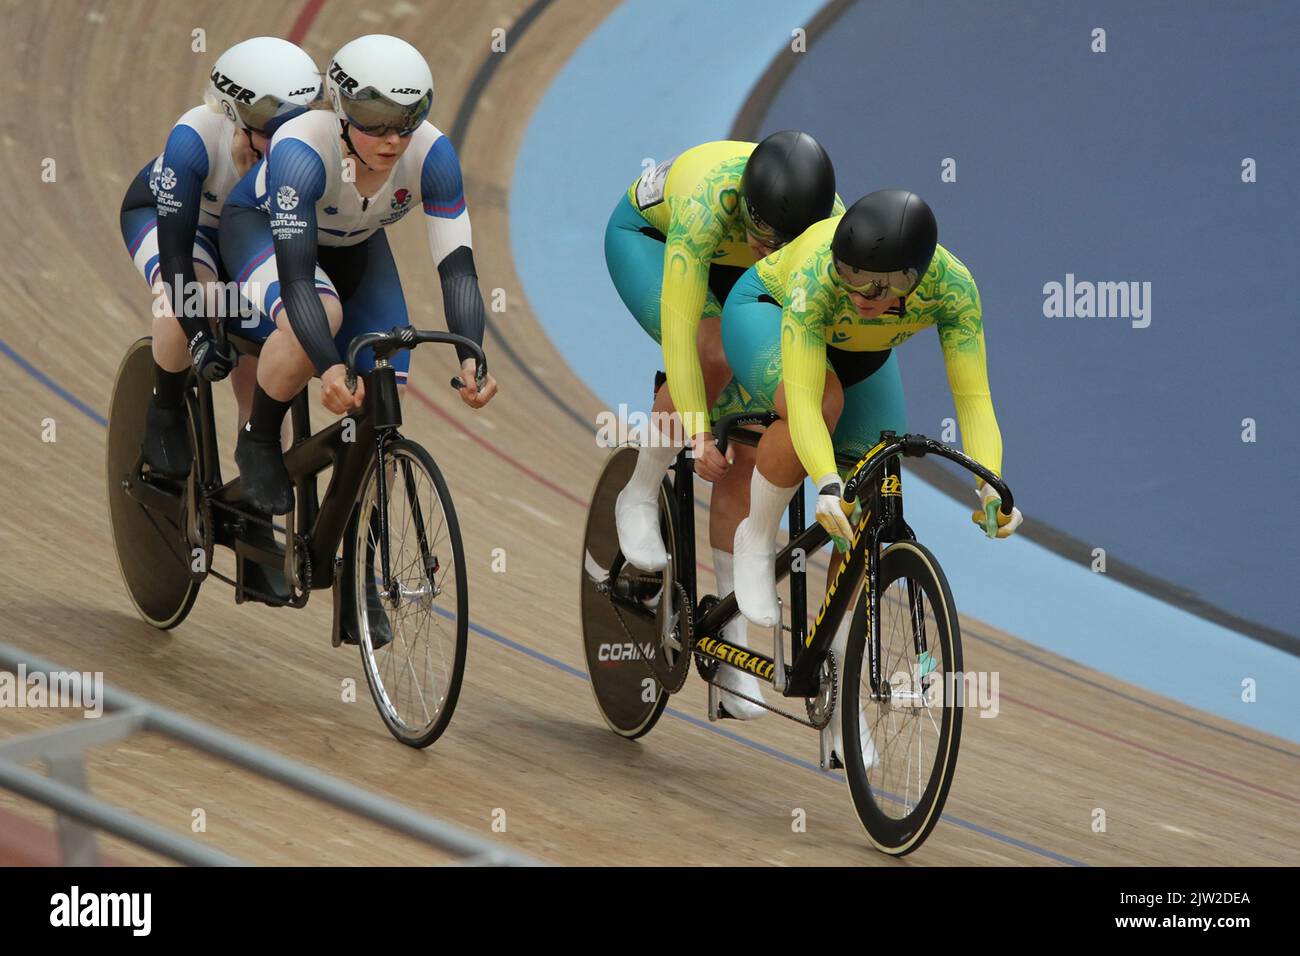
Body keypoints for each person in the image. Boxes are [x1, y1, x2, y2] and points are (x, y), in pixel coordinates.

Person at [720, 188, 1023, 762]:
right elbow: (808, 403)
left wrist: (991, 483)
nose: (859, 292)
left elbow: (975, 400)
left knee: (875, 479)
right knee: (817, 406)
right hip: (767, 312)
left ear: (914, 278)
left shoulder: (954, 289)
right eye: (850, 276)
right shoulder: (818, 276)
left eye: (877, 286)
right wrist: (825, 484)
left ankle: (840, 696)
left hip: (865, 354)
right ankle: (754, 536)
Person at [219, 34, 497, 644]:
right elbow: (295, 280)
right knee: (318, 313)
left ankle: (359, 572)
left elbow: (458, 269)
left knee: (385, 389)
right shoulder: (300, 151)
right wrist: (326, 369)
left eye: (408, 120)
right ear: (342, 111)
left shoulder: (435, 156)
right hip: (265, 234)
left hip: (354, 248)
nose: (393, 139)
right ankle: (259, 441)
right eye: (374, 121)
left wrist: (471, 352)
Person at [604, 130, 839, 718]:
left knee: (758, 440)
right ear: (748, 211)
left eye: (786, 243)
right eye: (766, 235)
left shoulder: (827, 224)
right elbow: (682, 338)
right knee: (710, 349)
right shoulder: (709, 201)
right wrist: (700, 432)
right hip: (653, 243)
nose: (773, 247)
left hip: (747, 283)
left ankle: (730, 648)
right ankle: (636, 494)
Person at [119, 36, 323, 479]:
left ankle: (255, 491)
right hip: (170, 224)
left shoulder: (309, 150)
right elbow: (175, 259)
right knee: (197, 298)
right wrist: (198, 338)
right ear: (234, 114)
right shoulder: (194, 138)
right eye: (272, 121)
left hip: (240, 236)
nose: (287, 132)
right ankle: (165, 409)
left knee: (264, 362)